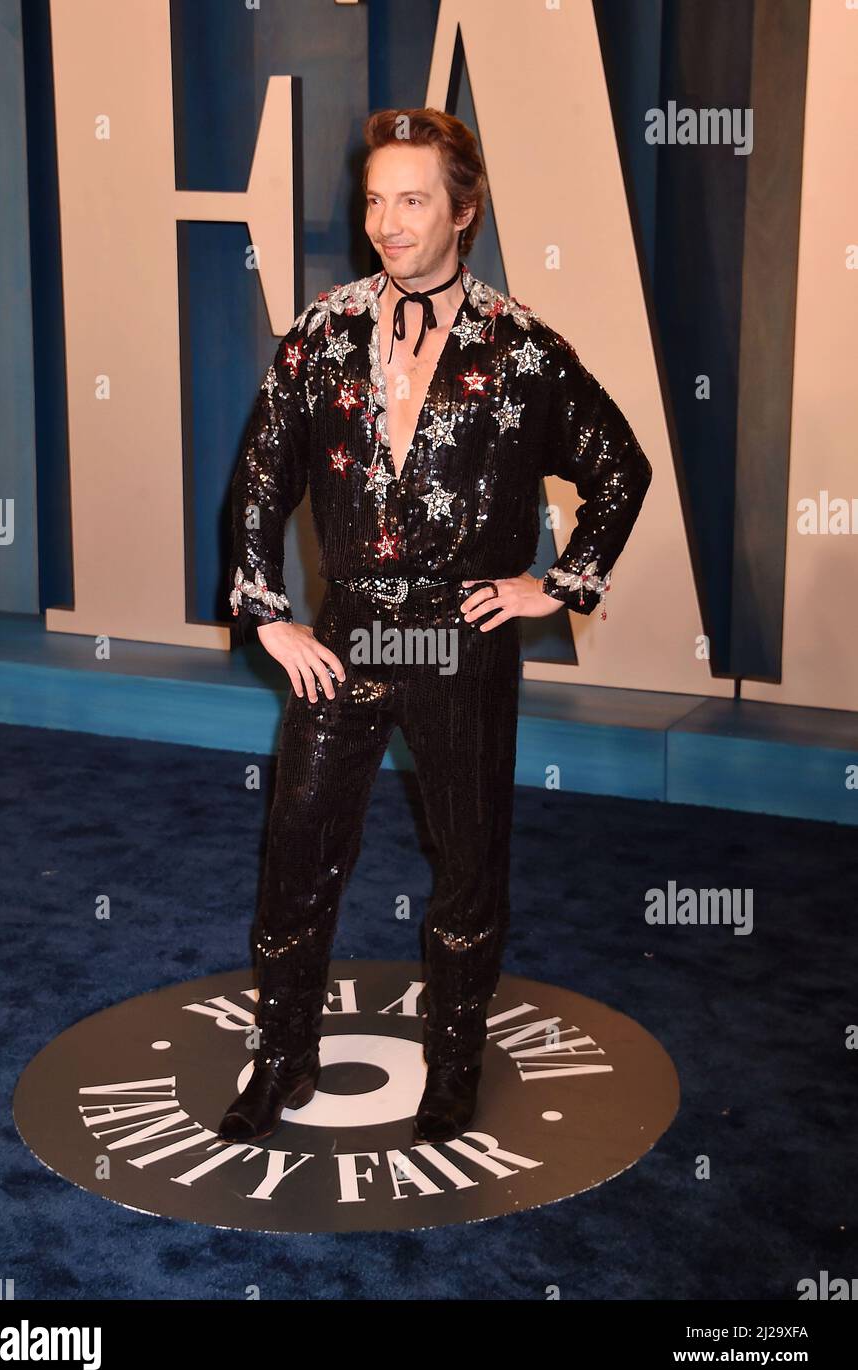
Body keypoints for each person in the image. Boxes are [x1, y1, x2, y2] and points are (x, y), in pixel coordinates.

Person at [218, 108, 652, 1146]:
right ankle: (282, 1054)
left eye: (411, 200)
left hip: (461, 641)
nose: (386, 223)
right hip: (347, 639)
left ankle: (454, 1063)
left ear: (463, 211)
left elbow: (620, 467)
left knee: (467, 857)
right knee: (296, 849)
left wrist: (555, 584)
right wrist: (268, 613)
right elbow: (260, 479)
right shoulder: (321, 333)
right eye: (375, 200)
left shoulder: (521, 346)